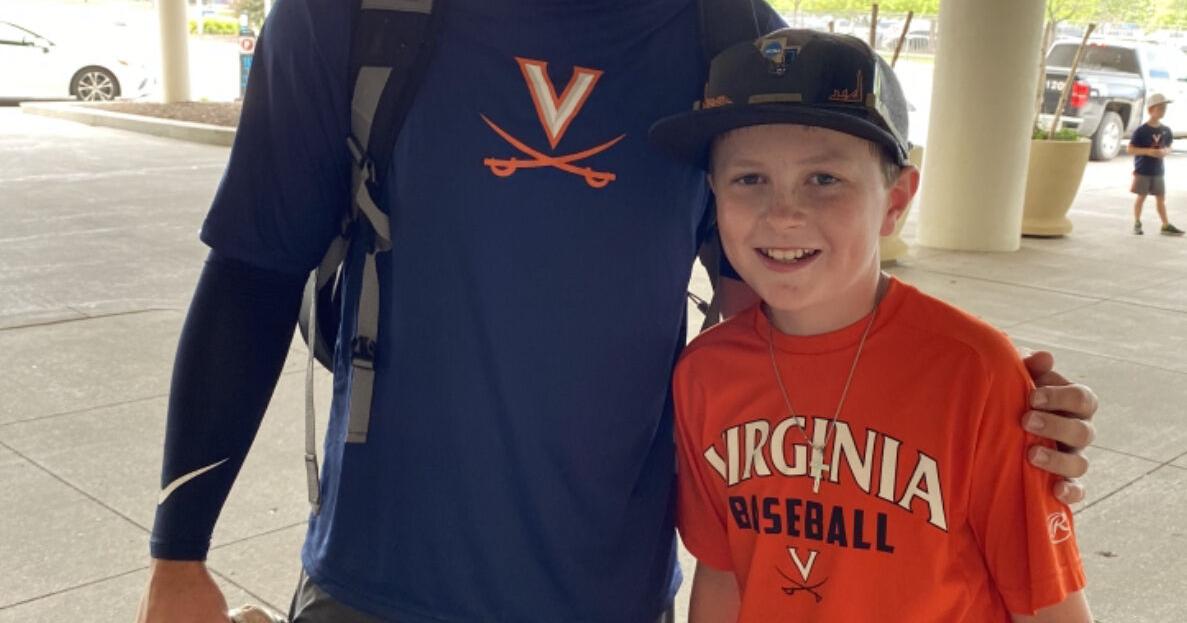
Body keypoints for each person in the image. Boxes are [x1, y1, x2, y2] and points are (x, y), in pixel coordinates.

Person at [136, 2, 1099, 622]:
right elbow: (254, 269)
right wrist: (178, 555)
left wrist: (992, 403)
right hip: (379, 581)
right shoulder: (355, 17)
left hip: (608, 591)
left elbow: (792, 298)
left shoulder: (719, 35)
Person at [652, 30, 1091, 621]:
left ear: (895, 200)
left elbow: (1049, 604)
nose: (783, 214)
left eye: (824, 179)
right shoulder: (704, 374)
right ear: (714, 197)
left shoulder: (974, 372)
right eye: (748, 179)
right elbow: (724, 574)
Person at [1128, 93, 1182, 236]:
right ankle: (1137, 222)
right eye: (1160, 108)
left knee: (1161, 197)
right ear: (1151, 109)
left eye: (1164, 108)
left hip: (1158, 170)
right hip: (1143, 170)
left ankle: (1165, 224)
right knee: (1141, 196)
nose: (1163, 111)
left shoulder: (1166, 130)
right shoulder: (1141, 130)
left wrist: (1166, 150)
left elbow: (1170, 145)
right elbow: (1130, 149)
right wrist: (1147, 151)